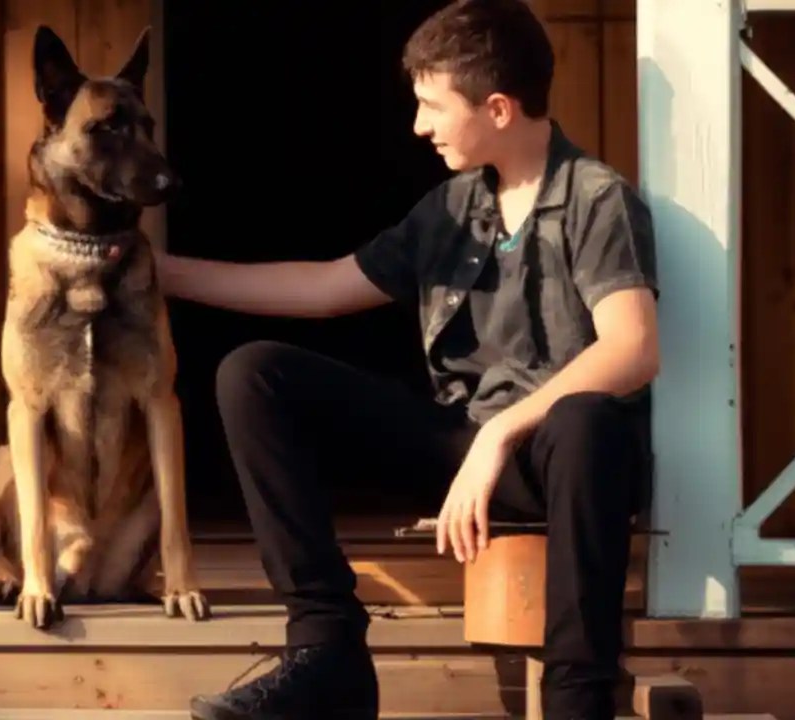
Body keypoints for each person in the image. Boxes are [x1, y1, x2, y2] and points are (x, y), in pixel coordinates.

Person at [165, 1, 660, 718]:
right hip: (457, 440)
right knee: (254, 373)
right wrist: (161, 272)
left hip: (556, 459)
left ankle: (578, 696)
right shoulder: (453, 206)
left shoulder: (596, 199)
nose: (418, 126)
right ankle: (327, 653)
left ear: (496, 107)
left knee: (587, 421)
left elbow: (633, 348)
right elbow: (327, 286)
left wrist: (500, 435)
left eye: (432, 105)